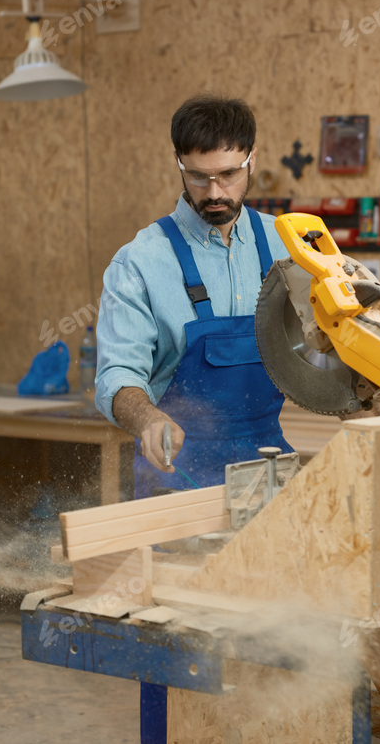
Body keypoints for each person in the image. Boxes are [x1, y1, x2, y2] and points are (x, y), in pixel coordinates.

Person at [95, 93, 294, 498]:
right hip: (178, 471)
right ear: (178, 163)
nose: (215, 192)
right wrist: (147, 418)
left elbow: (330, 343)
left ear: (252, 159)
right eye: (199, 176)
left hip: (269, 463)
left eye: (229, 174)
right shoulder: (139, 263)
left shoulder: (290, 244)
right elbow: (117, 376)